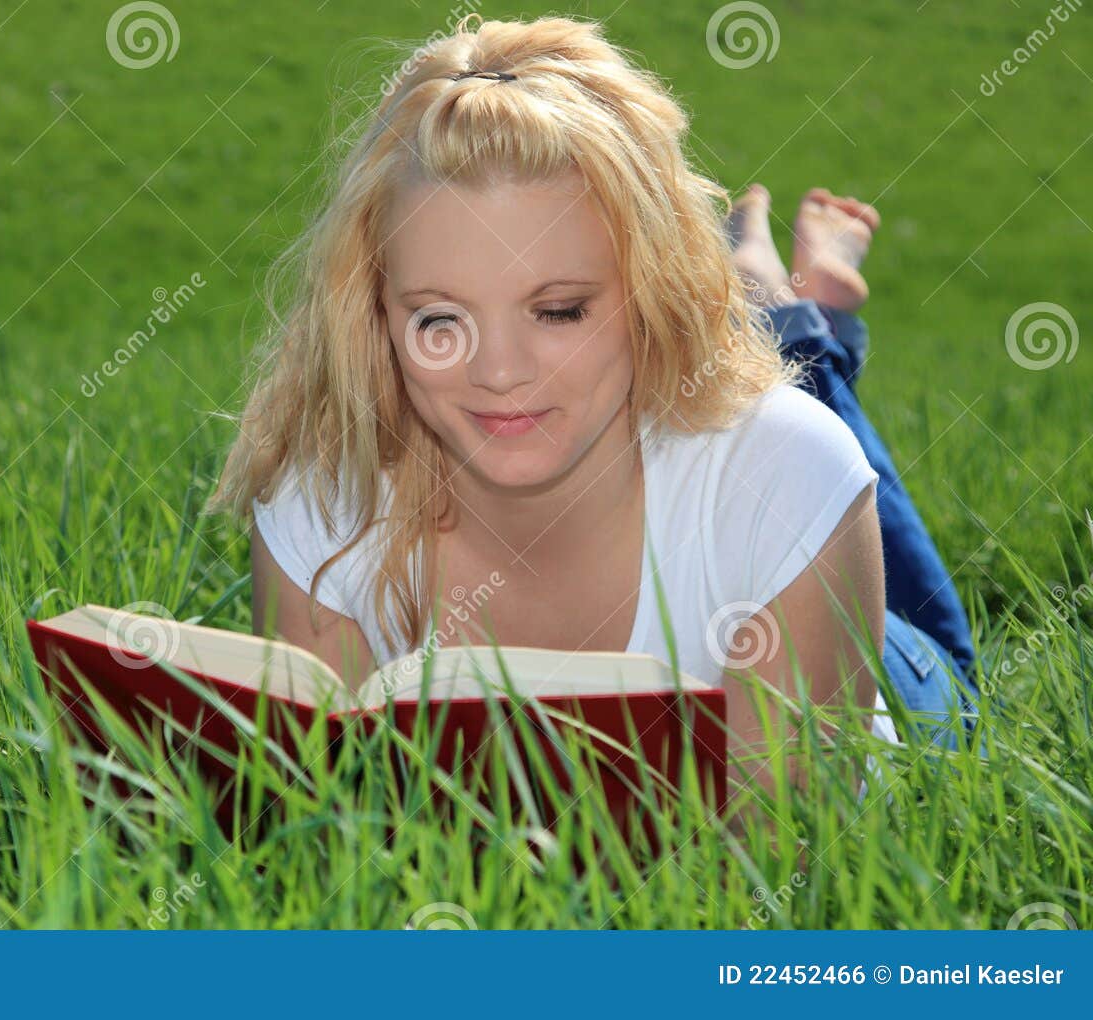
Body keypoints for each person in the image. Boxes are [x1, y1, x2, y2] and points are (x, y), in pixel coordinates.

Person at [208, 15, 980, 802]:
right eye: (439, 320)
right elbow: (324, 824)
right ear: (372, 311)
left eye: (560, 311)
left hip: (885, 660)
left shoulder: (782, 467)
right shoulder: (322, 503)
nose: (499, 372)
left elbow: (763, 870)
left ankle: (789, 313)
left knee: (796, 405)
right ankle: (767, 295)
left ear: (655, 292)